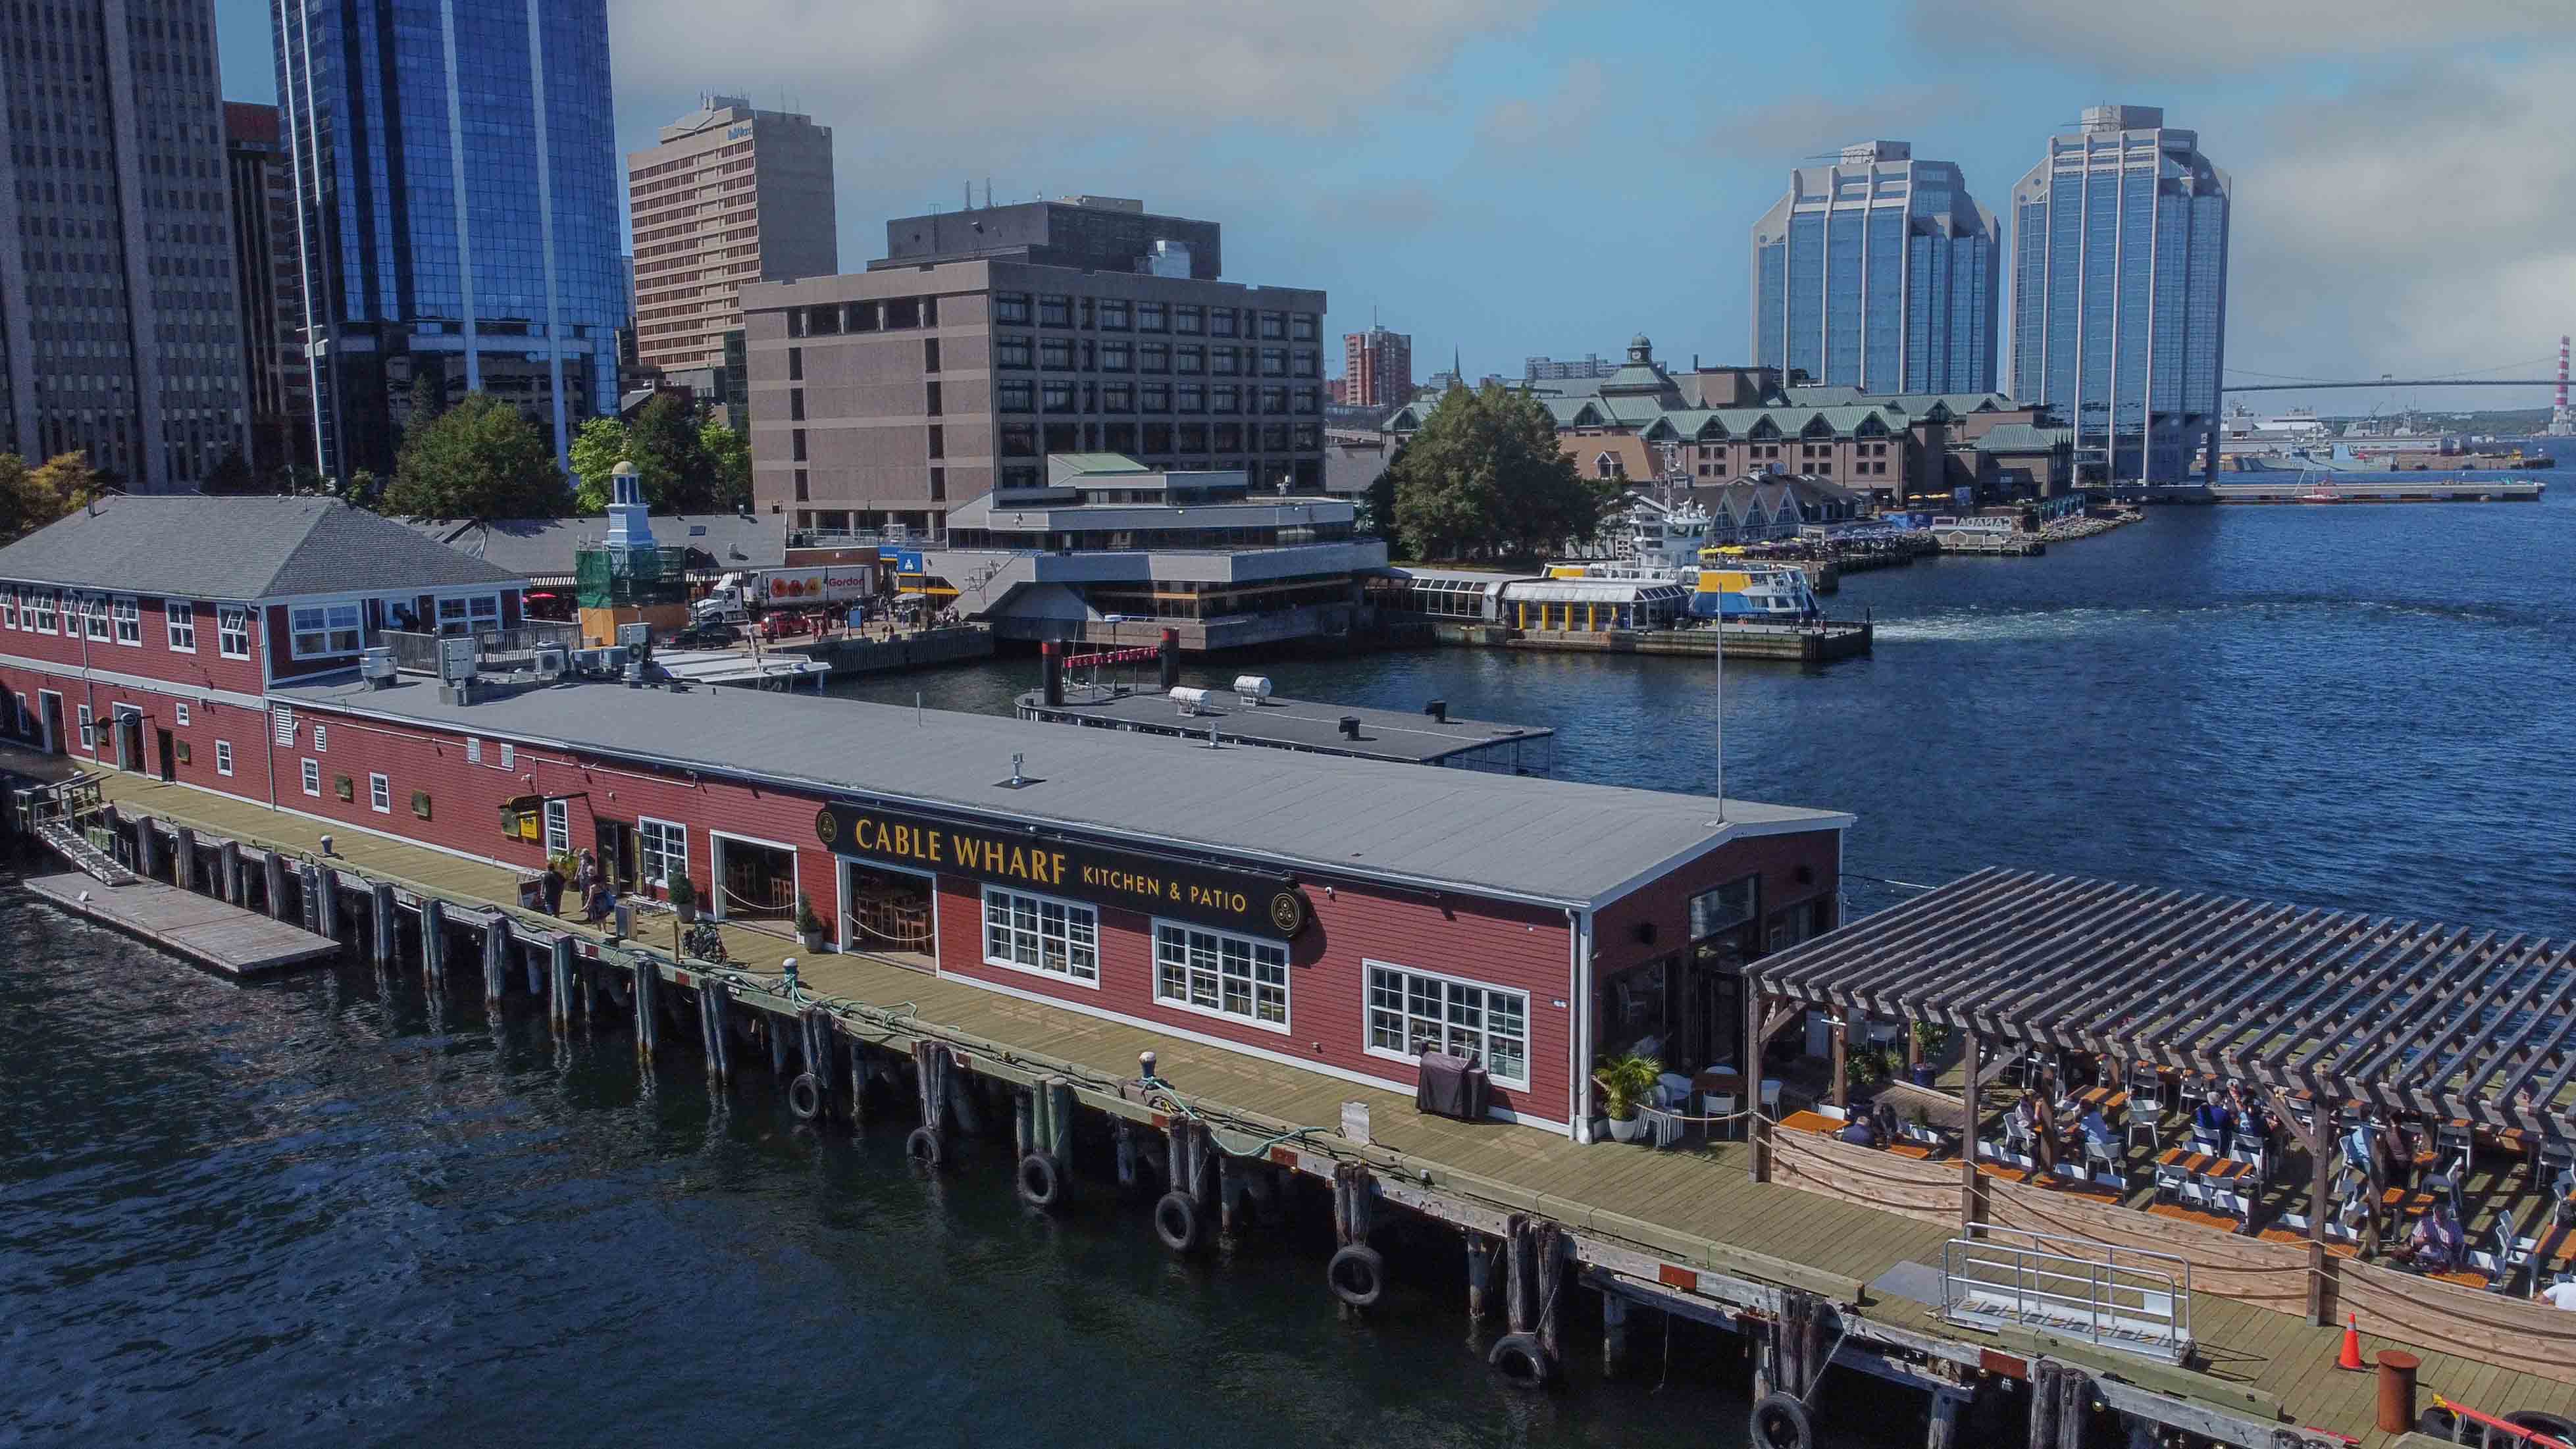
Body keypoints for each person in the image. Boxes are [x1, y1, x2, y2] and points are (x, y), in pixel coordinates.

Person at [2401, 1204, 2465, 1275]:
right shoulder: (2425, 1222)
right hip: (2425, 1255)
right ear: (2434, 1215)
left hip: (2445, 1259)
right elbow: (2414, 1241)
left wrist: (2450, 1247)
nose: (2441, 1222)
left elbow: (2460, 1245)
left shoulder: (2455, 1226)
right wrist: (2425, 1240)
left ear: (2448, 1215)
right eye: (2438, 1220)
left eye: (2444, 1219)